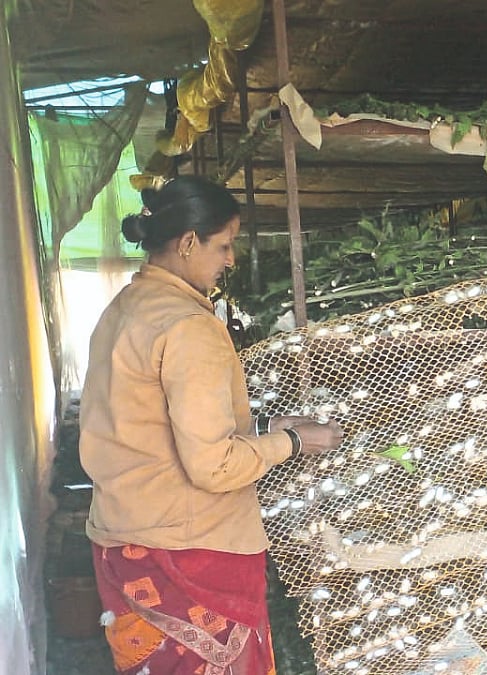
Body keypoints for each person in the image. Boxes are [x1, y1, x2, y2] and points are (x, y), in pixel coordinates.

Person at [79, 176, 344, 675]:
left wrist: (264, 424)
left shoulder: (122, 310)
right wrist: (291, 441)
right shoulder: (188, 326)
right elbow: (214, 466)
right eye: (223, 245)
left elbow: (148, 420)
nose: (230, 260)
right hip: (189, 551)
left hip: (123, 541)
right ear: (186, 243)